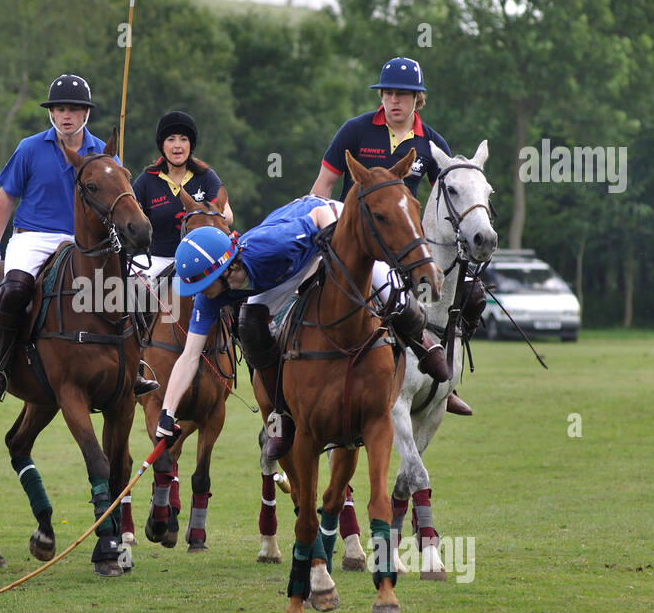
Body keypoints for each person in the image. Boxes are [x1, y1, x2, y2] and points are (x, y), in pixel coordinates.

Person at [155, 197, 450, 461]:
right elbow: (190, 356)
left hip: (330, 223)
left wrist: (339, 256)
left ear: (226, 268)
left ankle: (424, 344)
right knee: (251, 324)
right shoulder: (211, 298)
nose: (201, 294)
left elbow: (321, 214)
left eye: (205, 286)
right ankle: (281, 414)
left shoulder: (270, 246)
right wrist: (166, 413)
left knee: (391, 296)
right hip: (286, 272)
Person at [0, 73, 157, 401]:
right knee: (14, 290)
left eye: (74, 109)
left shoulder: (101, 152)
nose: (66, 115)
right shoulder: (29, 148)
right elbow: (6, 197)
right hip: (33, 237)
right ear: (51, 113)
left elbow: (118, 196)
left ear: (85, 114)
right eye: (60, 109)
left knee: (131, 289)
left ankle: (136, 364)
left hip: (83, 240)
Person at [309, 56, 475, 415]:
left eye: (404, 94)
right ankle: (287, 389)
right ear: (381, 95)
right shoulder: (355, 131)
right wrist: (320, 231)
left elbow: (445, 198)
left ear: (419, 98)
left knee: (468, 293)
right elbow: (322, 187)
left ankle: (444, 384)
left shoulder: (431, 143)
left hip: (403, 248)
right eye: (389, 93)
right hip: (352, 245)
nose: (395, 101)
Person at [130, 110, 232, 278]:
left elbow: (228, 215)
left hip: (201, 257)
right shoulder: (146, 181)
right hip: (157, 259)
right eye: (171, 139)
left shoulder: (206, 176)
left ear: (191, 144)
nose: (177, 145)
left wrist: (203, 215)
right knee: (133, 286)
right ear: (162, 145)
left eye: (183, 139)